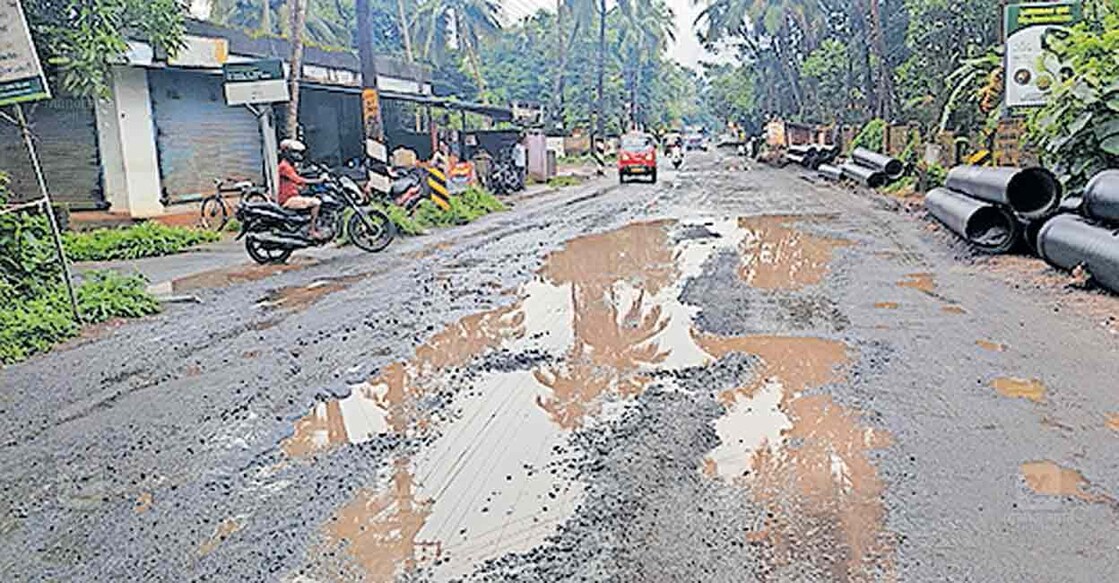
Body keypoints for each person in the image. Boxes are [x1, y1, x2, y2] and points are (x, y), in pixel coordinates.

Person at [278, 139, 327, 239]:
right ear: (287, 153)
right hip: (288, 199)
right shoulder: (284, 166)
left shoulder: (289, 166)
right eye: (294, 152)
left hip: (293, 195)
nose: (297, 155)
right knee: (316, 203)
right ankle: (312, 231)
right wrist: (318, 181)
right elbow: (298, 180)